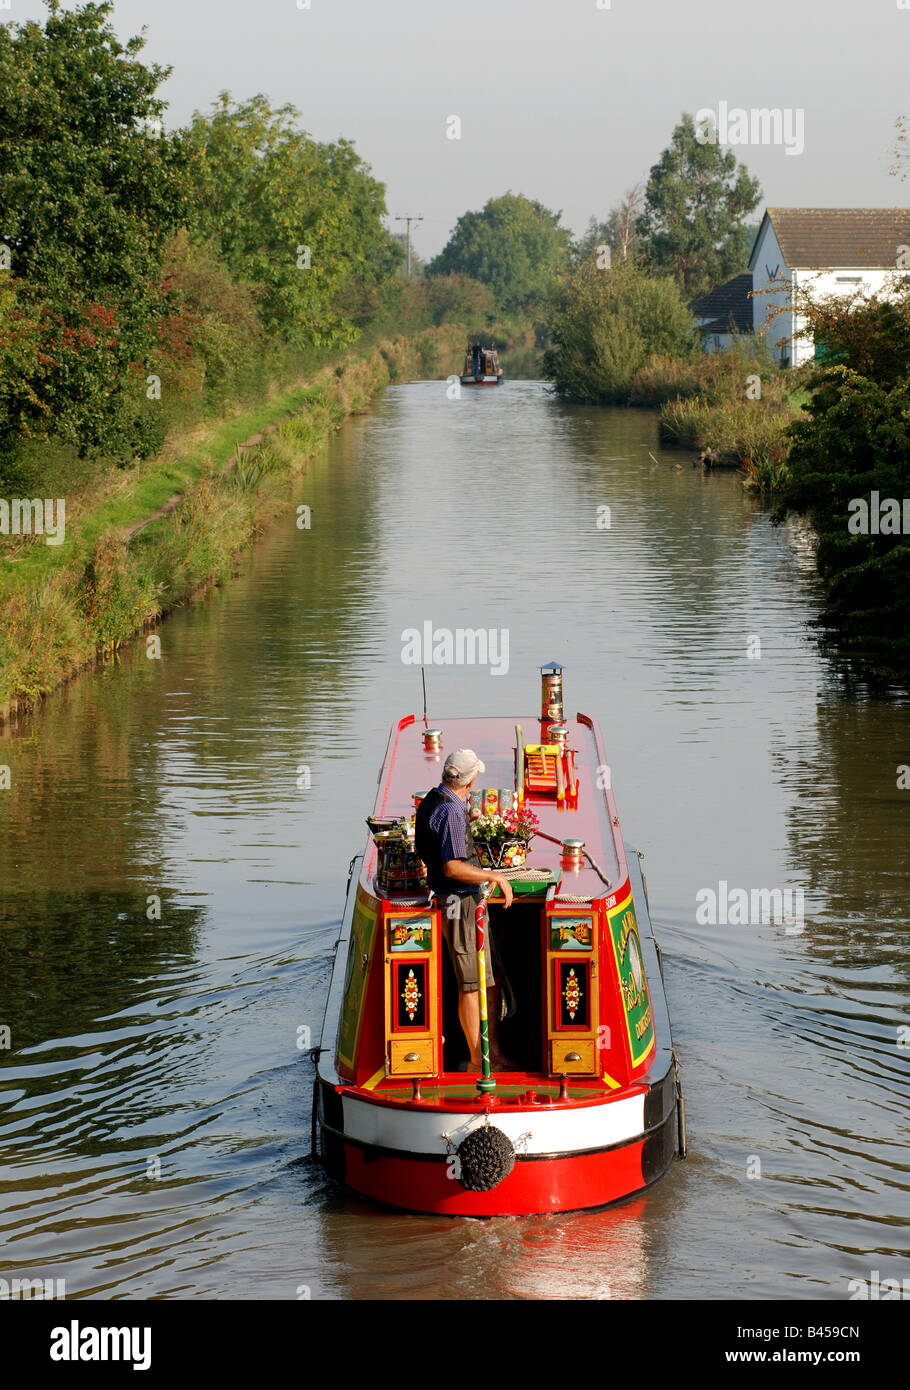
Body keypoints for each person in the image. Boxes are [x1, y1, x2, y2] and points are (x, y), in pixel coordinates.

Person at [414, 748, 515, 1071]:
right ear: (470, 781)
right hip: (459, 903)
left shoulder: (431, 800)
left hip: (460, 902)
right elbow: (453, 868)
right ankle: (477, 1062)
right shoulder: (453, 813)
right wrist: (493, 875)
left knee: (490, 976)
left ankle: (493, 1053)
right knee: (470, 985)